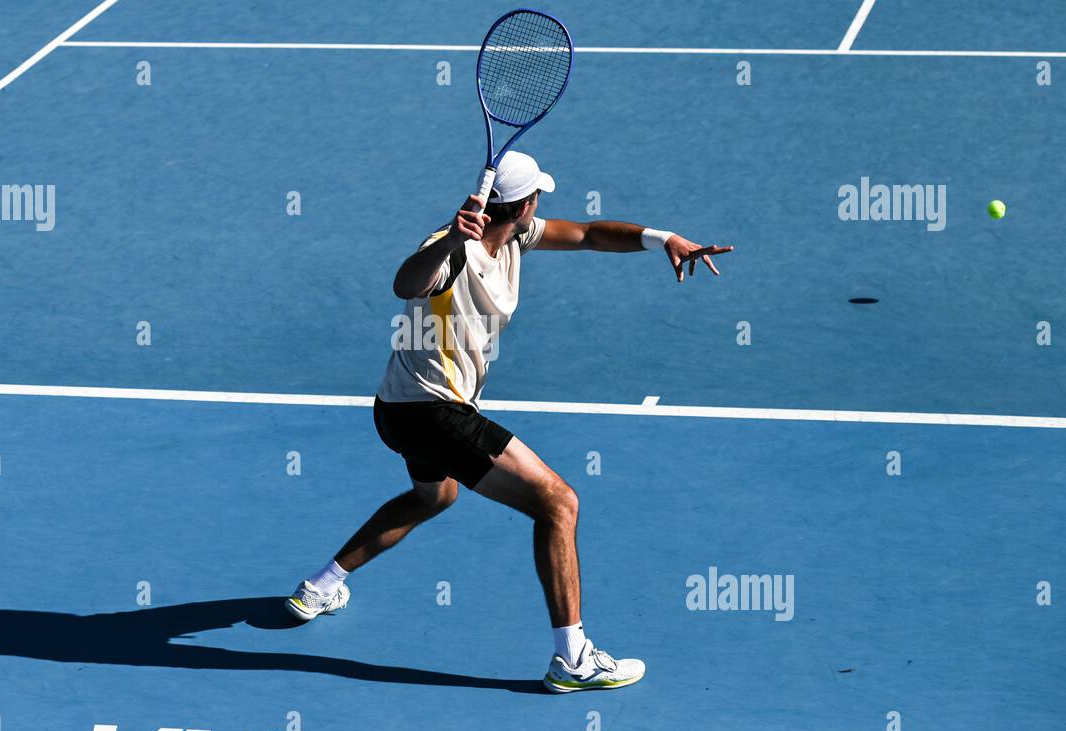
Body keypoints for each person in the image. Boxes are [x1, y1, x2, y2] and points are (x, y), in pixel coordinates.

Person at [287, 151, 733, 692]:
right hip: (434, 411)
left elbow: (590, 234)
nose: (542, 203)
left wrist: (662, 238)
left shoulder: (516, 237)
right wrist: (452, 240)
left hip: (398, 410)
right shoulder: (453, 250)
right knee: (559, 502)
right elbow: (407, 285)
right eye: (538, 195)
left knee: (435, 497)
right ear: (523, 204)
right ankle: (572, 658)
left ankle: (321, 585)